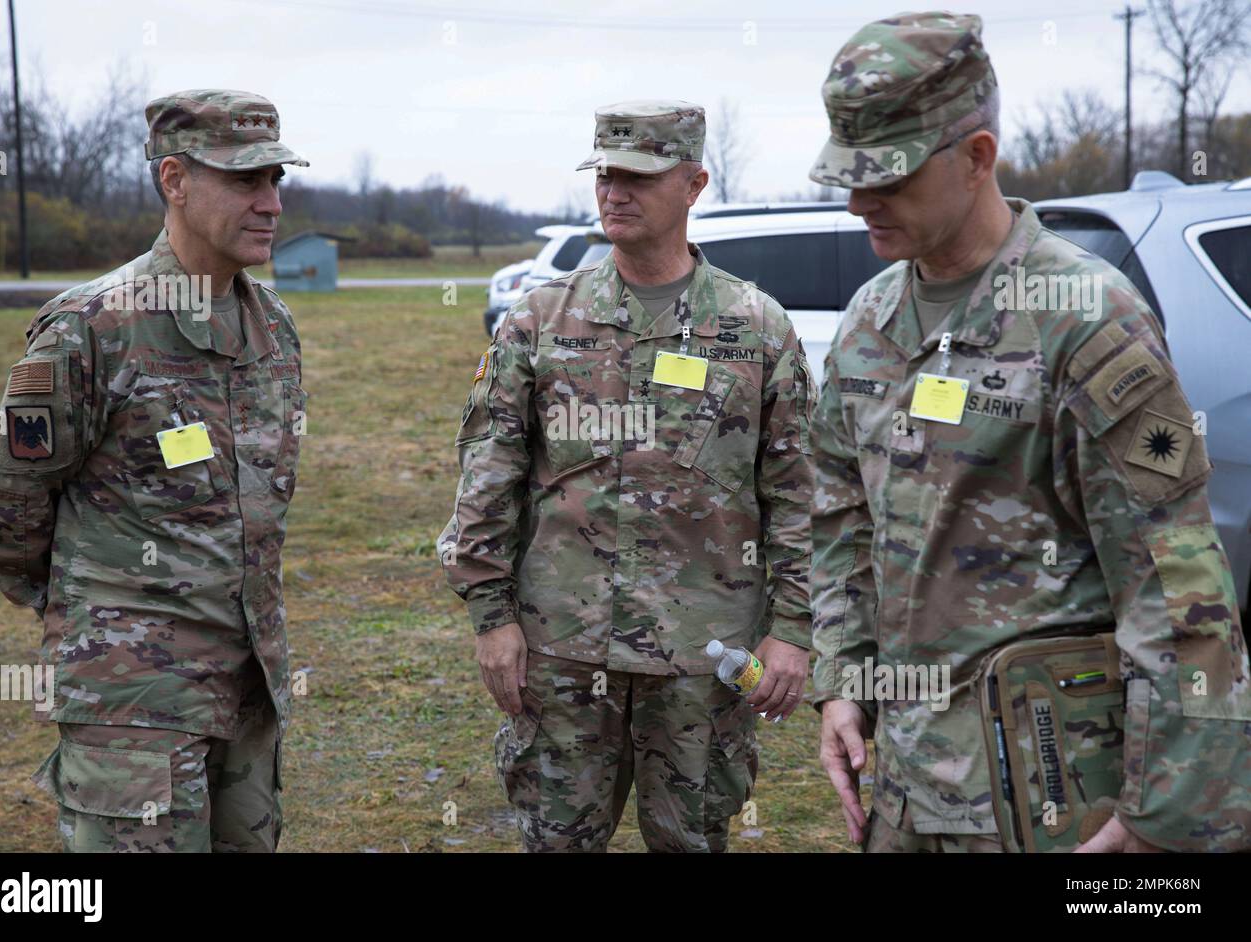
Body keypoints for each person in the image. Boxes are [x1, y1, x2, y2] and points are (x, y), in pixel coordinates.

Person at [807, 12, 1251, 852]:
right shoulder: (870, 320)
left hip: (1050, 801)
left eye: (889, 178)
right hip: (903, 794)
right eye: (848, 176)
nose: (859, 201)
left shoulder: (1088, 322)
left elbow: (1178, 583)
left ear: (977, 158)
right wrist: (841, 683)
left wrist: (1159, 820)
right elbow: (840, 522)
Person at [438, 100, 817, 852]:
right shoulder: (541, 321)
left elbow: (801, 494)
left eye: (639, 177)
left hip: (703, 660)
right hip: (563, 652)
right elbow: (489, 476)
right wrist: (493, 620)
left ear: (694, 183)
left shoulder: (756, 328)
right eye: (605, 175)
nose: (615, 192)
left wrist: (794, 630)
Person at [0, 89, 309, 852]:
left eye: (274, 181)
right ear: (174, 180)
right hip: (131, 704)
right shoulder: (94, 329)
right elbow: (8, 508)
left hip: (247, 687)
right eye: (244, 181)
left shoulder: (273, 328)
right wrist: (98, 622)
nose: (269, 204)